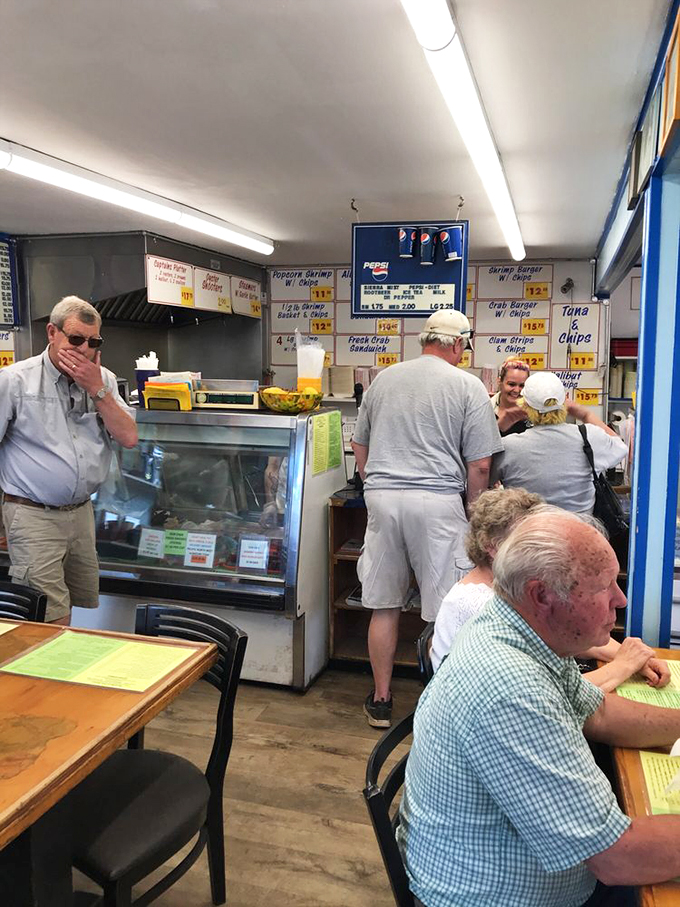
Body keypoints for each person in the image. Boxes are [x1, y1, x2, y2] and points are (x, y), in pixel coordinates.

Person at [398, 509, 680, 907]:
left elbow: (597, 713)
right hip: (492, 895)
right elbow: (616, 857)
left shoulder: (518, 627)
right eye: (604, 588)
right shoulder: (511, 687)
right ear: (542, 595)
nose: (620, 599)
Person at [351, 309, 502, 727]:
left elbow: (359, 444)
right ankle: (439, 705)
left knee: (384, 604)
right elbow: (481, 465)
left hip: (383, 499)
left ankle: (381, 700)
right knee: (443, 608)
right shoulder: (467, 386)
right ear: (458, 343)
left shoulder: (384, 379)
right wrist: (475, 513)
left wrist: (373, 485)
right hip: (437, 501)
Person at [430, 488, 670, 691]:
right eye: (527, 539)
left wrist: (636, 658)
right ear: (491, 547)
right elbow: (549, 694)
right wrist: (623, 665)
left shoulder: (508, 593)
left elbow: (578, 640)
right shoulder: (482, 606)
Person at [0, 296, 138, 624]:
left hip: (81, 513)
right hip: (33, 513)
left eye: (94, 342)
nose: (84, 349)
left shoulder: (103, 380)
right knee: (48, 616)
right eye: (76, 339)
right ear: (52, 332)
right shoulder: (15, 380)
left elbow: (129, 437)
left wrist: (96, 390)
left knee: (76, 607)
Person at [491, 371, 627, 512]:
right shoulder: (588, 436)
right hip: (580, 524)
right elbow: (621, 447)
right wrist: (585, 414)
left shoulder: (509, 446)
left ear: (524, 405)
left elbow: (483, 472)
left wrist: (499, 427)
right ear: (565, 402)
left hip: (528, 524)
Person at [490, 356, 531, 436]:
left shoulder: (534, 413)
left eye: (522, 386)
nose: (516, 390)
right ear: (499, 382)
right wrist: (500, 426)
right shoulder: (485, 410)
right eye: (511, 384)